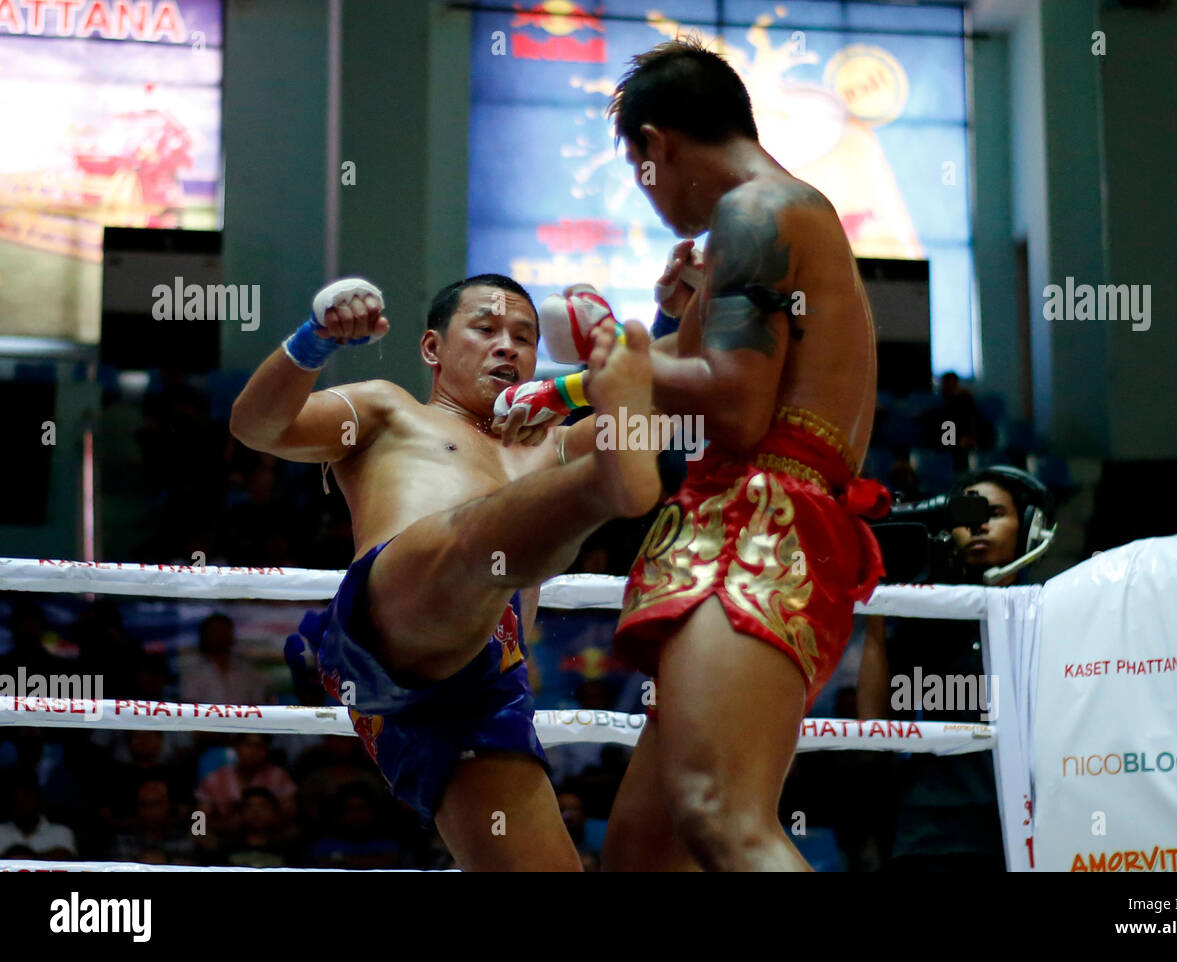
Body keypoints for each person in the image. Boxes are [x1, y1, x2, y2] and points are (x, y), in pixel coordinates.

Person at [230, 272, 660, 871]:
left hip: (488, 683)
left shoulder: (554, 442)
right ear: (432, 348)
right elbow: (257, 426)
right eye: (485, 329)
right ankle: (600, 493)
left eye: (524, 337)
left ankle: (601, 487)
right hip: (391, 619)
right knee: (483, 534)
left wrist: (678, 310)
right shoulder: (388, 411)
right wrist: (315, 339)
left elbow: (672, 409)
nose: (506, 346)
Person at [592, 38, 888, 871]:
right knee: (642, 852)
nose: (647, 192)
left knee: (723, 815)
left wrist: (620, 363)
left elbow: (736, 405)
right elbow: (704, 379)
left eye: (639, 169)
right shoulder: (776, 215)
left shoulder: (756, 211)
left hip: (758, 525)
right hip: (761, 522)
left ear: (657, 145)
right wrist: (651, 339)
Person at [858, 466, 1055, 871]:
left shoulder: (1055, 610)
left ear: (1028, 527)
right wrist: (879, 608)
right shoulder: (924, 614)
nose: (978, 524)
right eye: (965, 515)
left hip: (1037, 823)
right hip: (935, 832)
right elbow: (874, 733)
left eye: (994, 513)